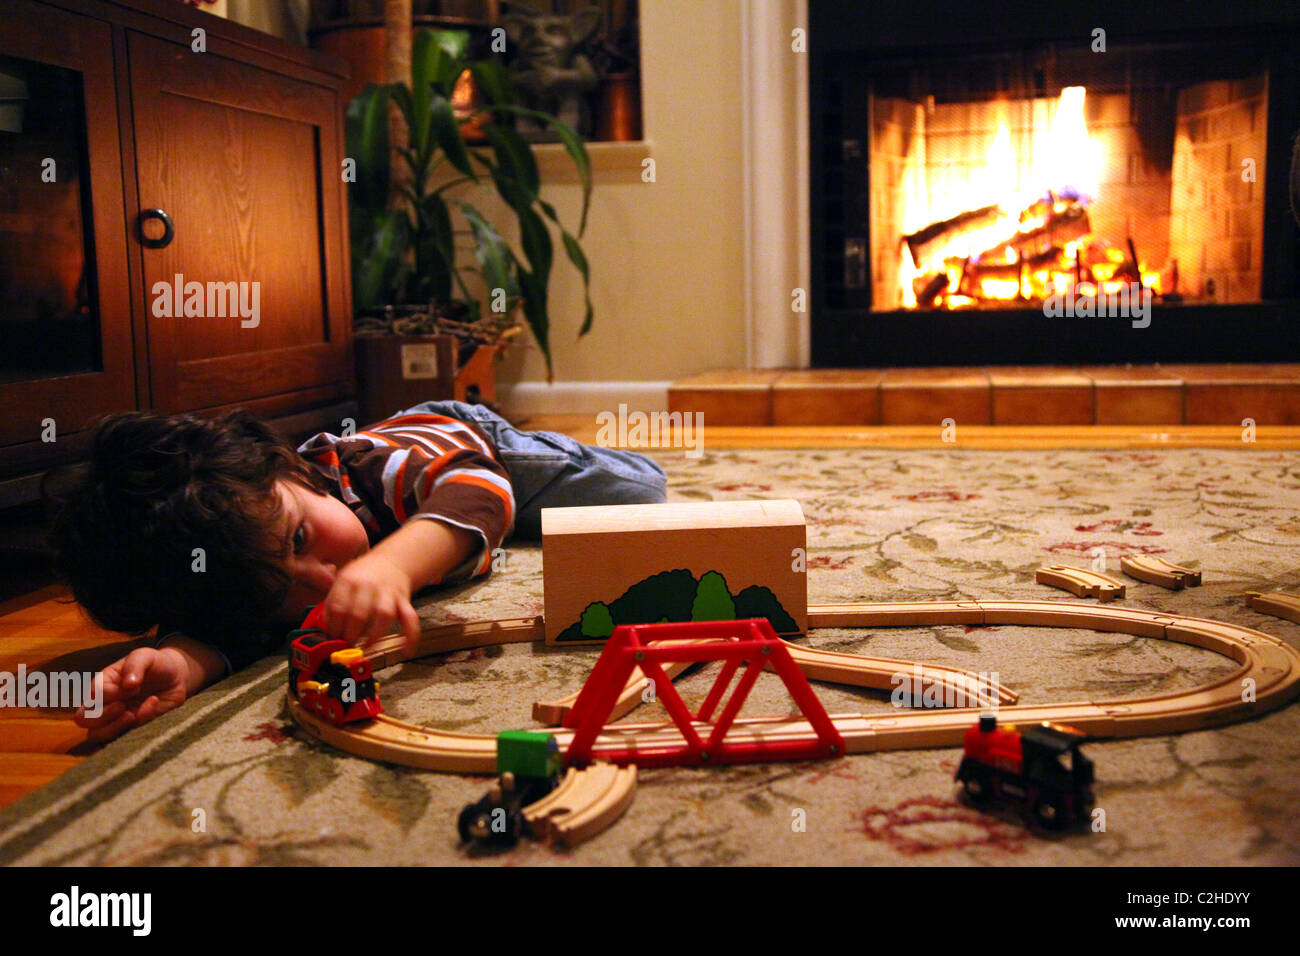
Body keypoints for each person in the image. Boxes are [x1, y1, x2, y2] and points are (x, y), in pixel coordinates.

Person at [46, 400, 667, 741]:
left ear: (290, 468)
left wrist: (394, 561)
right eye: (279, 591)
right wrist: (184, 660)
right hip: (443, 495)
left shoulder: (372, 467)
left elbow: (478, 487)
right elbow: (234, 632)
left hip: (464, 446)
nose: (323, 578)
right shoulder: (238, 579)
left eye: (301, 538)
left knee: (636, 492)